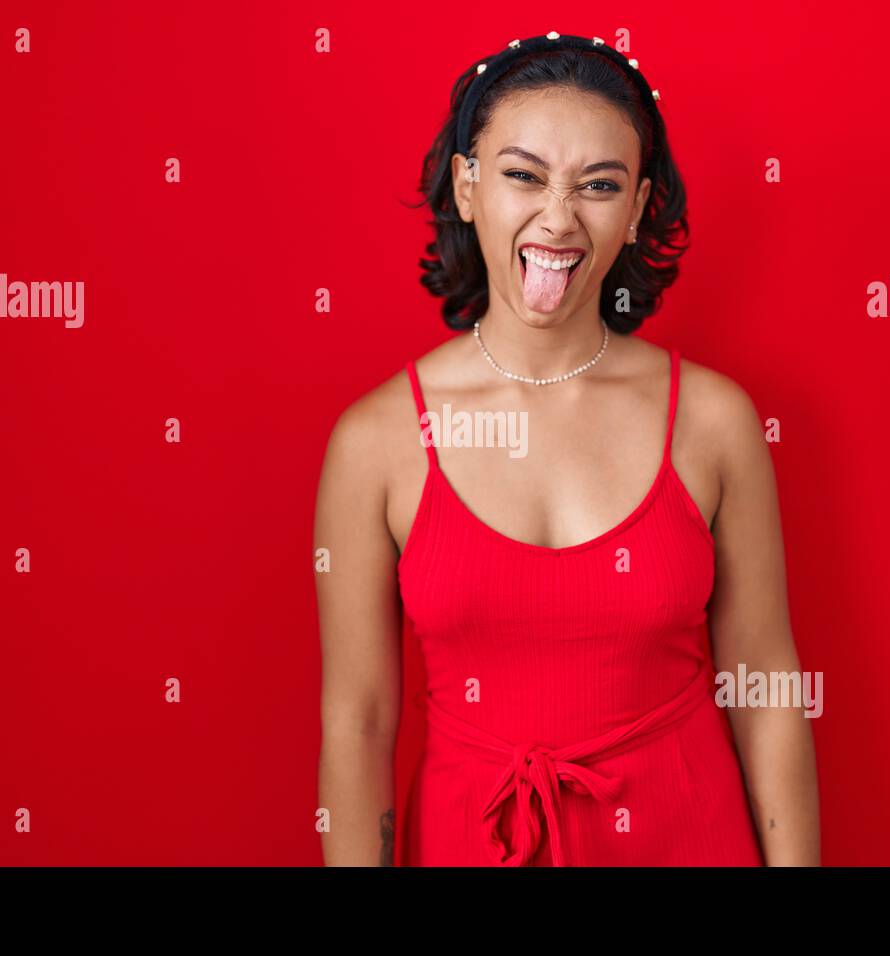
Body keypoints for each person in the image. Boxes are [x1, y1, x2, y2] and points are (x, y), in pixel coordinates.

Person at [315, 33, 819, 866]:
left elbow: (765, 689)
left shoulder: (715, 420)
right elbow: (358, 722)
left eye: (599, 185)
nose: (558, 215)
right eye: (522, 174)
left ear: (634, 211)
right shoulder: (375, 441)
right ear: (467, 188)